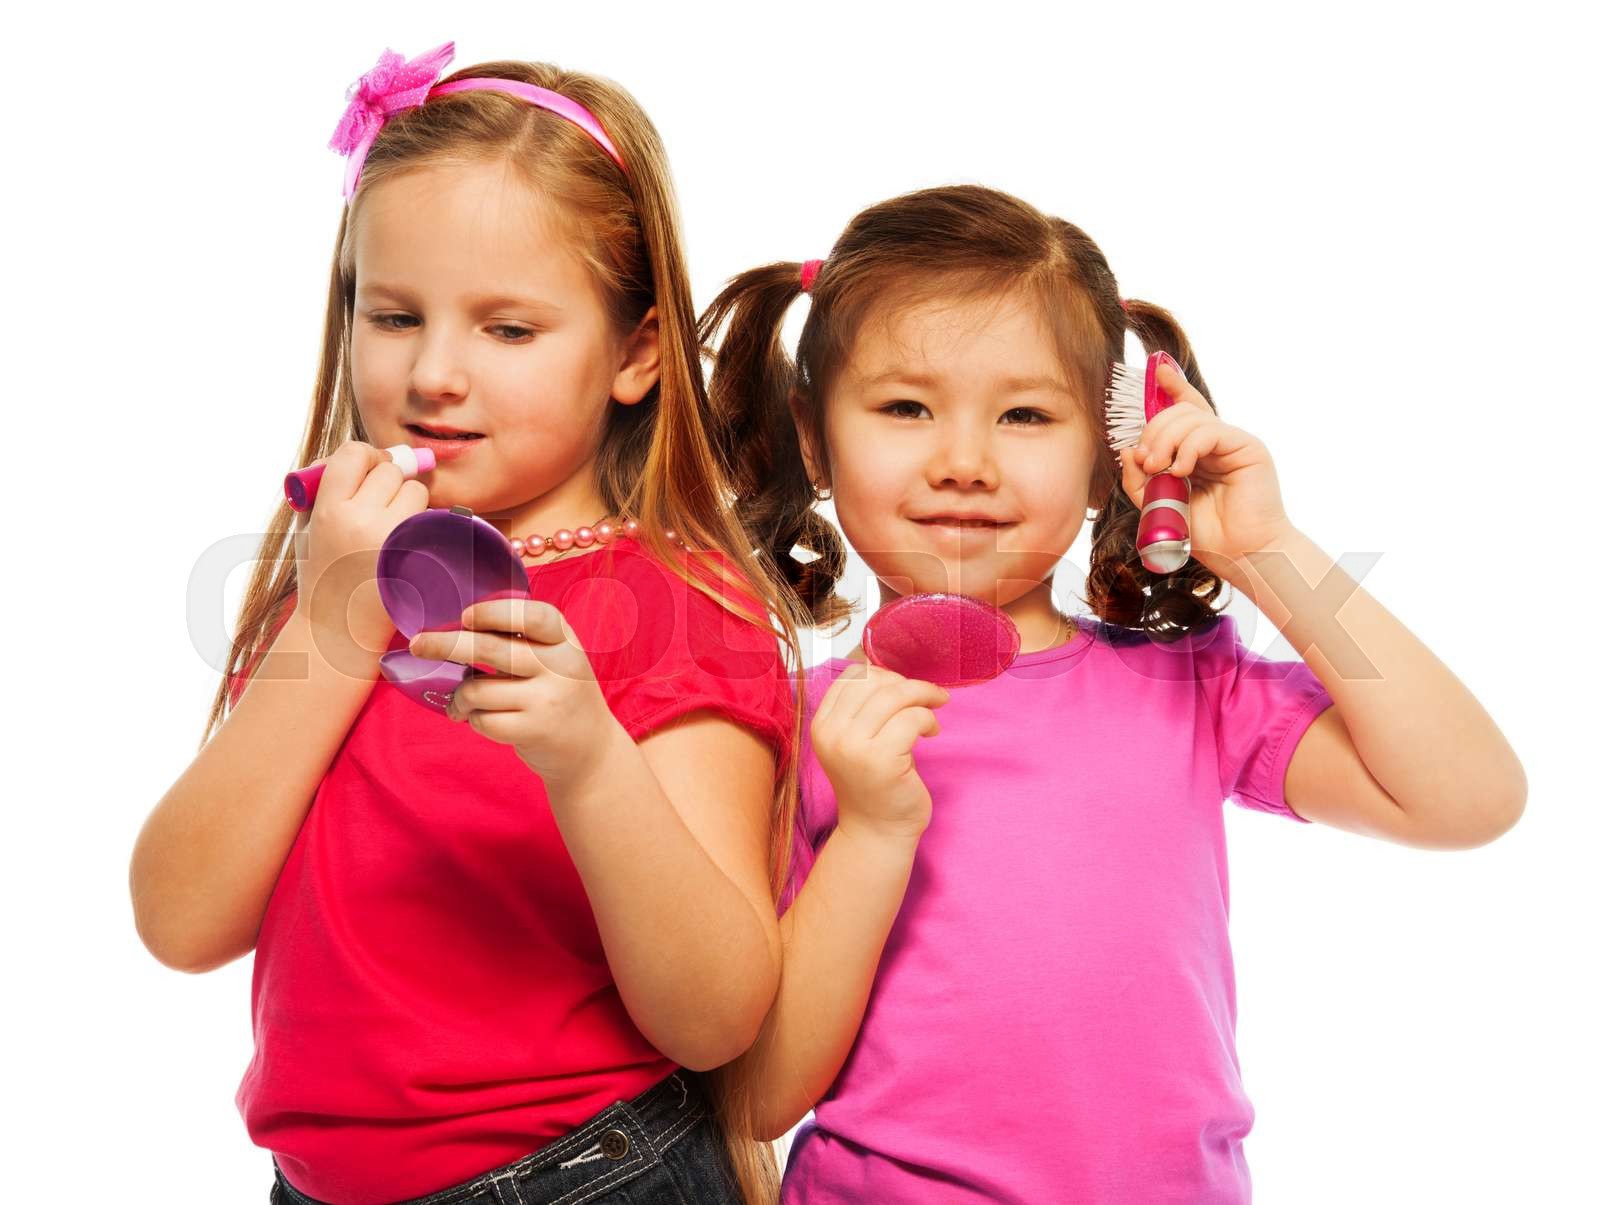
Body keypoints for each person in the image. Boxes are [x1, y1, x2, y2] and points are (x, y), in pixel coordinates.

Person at [699, 183, 1527, 1203]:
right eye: (906, 407)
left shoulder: (1189, 685)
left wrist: (1266, 548)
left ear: (1108, 456)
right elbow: (754, 1101)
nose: (964, 461)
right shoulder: (786, 728)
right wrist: (870, 825)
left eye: (1026, 414)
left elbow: (1470, 796)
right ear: (814, 438)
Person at [130, 42, 802, 1205]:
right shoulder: (340, 580)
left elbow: (715, 1015)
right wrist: (333, 617)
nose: (434, 372)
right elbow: (180, 918)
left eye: (508, 330)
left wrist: (588, 756)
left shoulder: (679, 610)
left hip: (587, 1178)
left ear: (638, 351)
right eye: (394, 315)